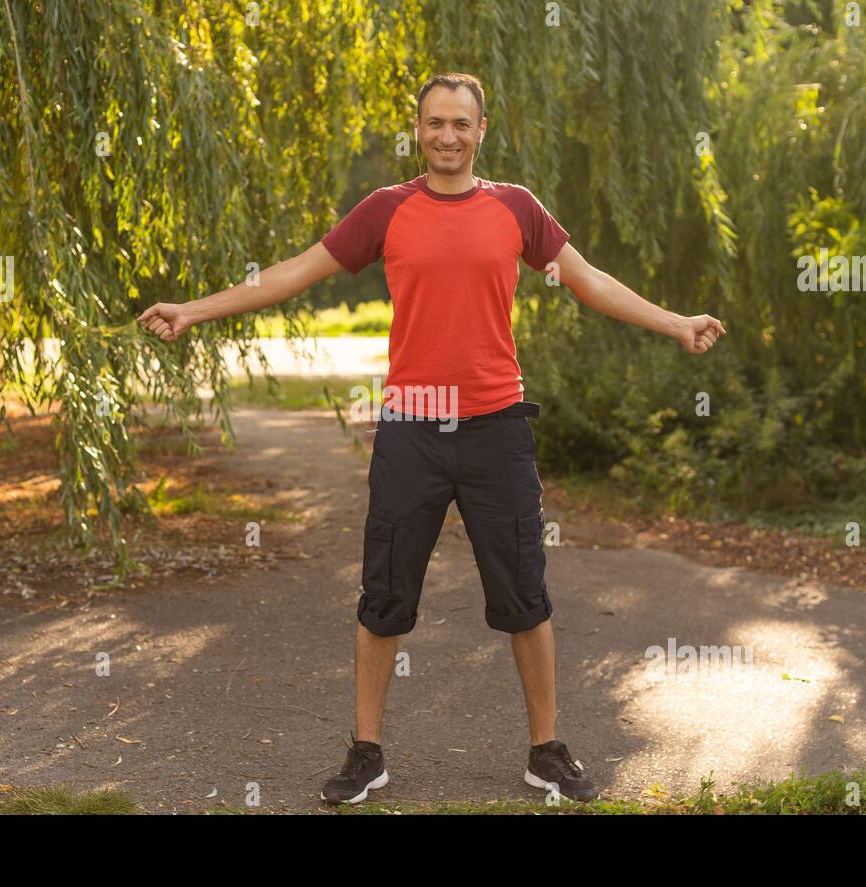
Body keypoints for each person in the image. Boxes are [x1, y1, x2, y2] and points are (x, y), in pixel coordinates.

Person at [138, 71, 726, 807]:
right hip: (411, 431)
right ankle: (367, 753)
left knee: (525, 596)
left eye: (460, 123)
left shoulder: (517, 209)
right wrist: (193, 310)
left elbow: (590, 280)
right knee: (384, 594)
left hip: (497, 430)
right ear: (417, 130)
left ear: (483, 132)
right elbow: (293, 273)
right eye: (434, 123)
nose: (447, 135)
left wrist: (677, 323)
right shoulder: (387, 210)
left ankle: (546, 751)